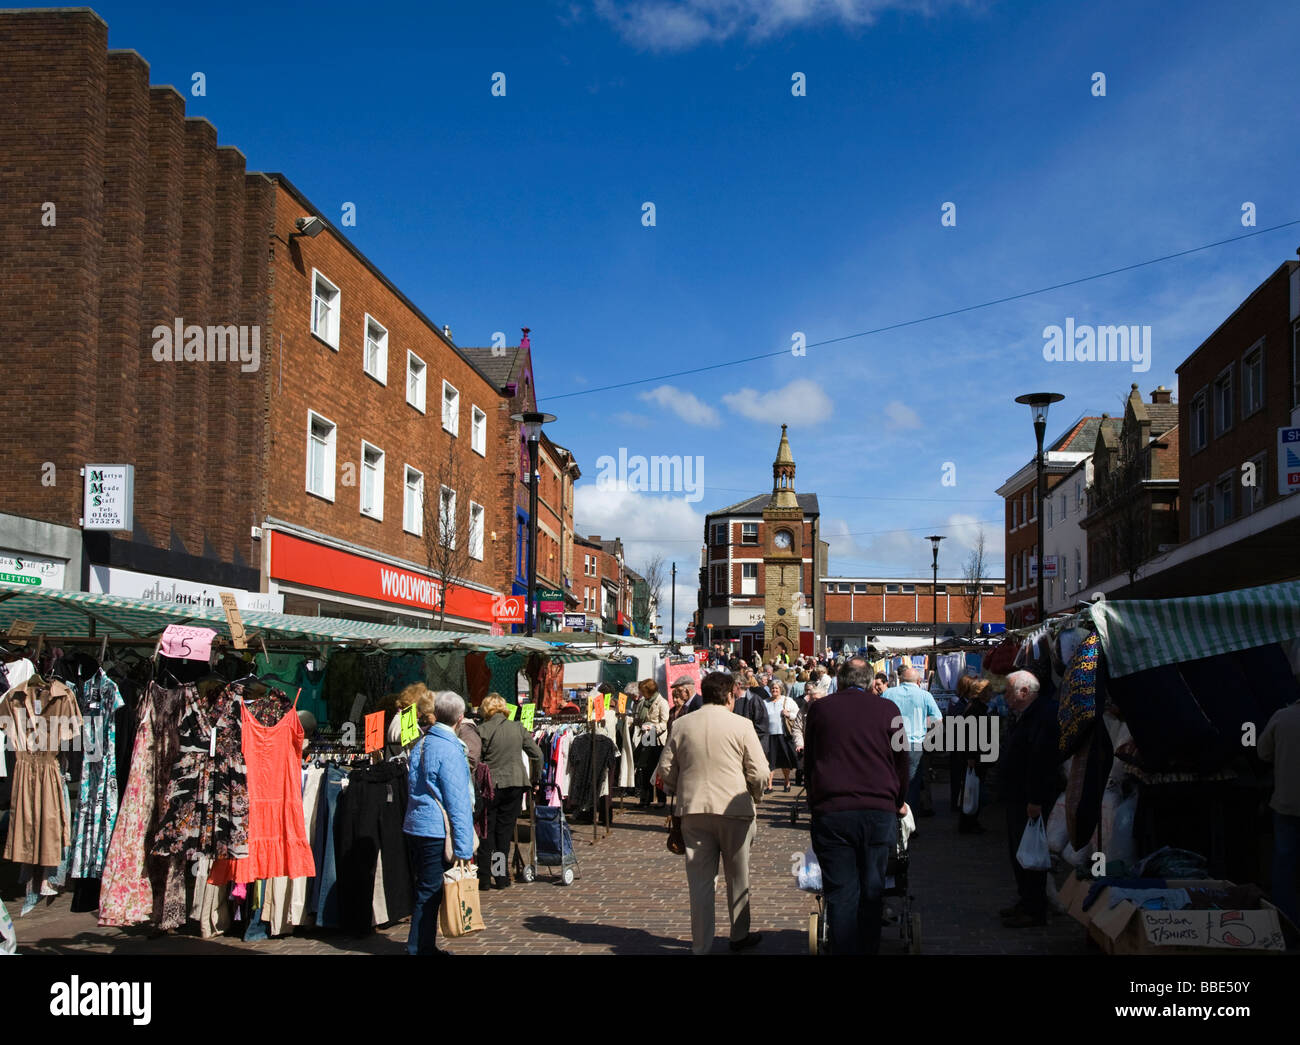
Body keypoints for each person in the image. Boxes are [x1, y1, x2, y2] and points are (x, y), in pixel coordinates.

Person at [803, 657, 911, 956]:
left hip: (833, 808)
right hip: (878, 809)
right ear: (869, 681)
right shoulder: (889, 710)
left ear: (840, 680)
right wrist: (898, 800)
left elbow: (810, 760)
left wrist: (815, 799)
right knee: (872, 888)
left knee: (840, 891)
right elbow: (902, 760)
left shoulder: (821, 710)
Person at [655, 671, 769, 955]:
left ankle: (701, 945)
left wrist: (676, 789)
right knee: (738, 876)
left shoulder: (681, 724)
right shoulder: (742, 725)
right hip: (735, 809)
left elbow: (665, 771)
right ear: (730, 695)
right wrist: (755, 796)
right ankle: (739, 934)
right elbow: (760, 772)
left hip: (694, 809)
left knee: (701, 883)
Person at [403, 691, 475, 956]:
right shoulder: (450, 748)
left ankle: (422, 945)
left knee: (424, 889)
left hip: (415, 824)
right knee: (430, 892)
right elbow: (458, 801)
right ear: (460, 717)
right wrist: (465, 848)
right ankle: (419, 948)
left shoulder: (421, 743)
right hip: (435, 830)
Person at [999, 670, 1061, 928]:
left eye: (1008, 691)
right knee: (1019, 852)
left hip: (1030, 799)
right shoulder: (1027, 715)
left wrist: (1035, 799)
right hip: (1018, 796)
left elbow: (1041, 760)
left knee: (1029, 855)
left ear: (1024, 692)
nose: (1004, 697)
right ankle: (1026, 901)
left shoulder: (1043, 715)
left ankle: (1034, 908)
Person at [478, 693, 543, 889]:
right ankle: (500, 877)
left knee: (487, 832)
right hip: (515, 784)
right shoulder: (517, 727)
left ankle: (483, 879)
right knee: (504, 833)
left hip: (491, 786)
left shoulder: (482, 730)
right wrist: (535, 778)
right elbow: (537, 754)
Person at [1260, 695, 1300, 932]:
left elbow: (1262, 753)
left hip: (1287, 804)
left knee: (1285, 864)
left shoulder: (1282, 717)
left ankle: (1287, 924)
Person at [882, 665, 942, 814]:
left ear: (900, 680)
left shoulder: (888, 693)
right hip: (915, 745)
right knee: (912, 783)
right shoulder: (924, 695)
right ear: (919, 681)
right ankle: (910, 820)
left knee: (891, 780)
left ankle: (892, 814)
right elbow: (938, 719)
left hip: (891, 743)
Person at [948, 675, 992, 834]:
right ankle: (968, 822)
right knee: (972, 790)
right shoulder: (975, 709)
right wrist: (971, 757)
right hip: (974, 756)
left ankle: (970, 821)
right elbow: (970, 735)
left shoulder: (975, 707)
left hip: (975, 755)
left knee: (972, 790)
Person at [635, 679, 670, 809]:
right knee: (644, 769)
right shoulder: (643, 703)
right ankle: (645, 799)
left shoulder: (662, 703)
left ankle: (661, 799)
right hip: (646, 738)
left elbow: (664, 723)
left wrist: (652, 727)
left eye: (643, 691)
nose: (642, 694)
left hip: (658, 741)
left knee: (658, 770)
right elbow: (640, 718)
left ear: (649, 691)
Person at [762, 680, 801, 793]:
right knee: (770, 761)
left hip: (784, 735)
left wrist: (789, 714)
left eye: (776, 688)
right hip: (769, 736)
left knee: (785, 761)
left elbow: (797, 715)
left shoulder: (787, 700)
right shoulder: (765, 702)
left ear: (781, 689)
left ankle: (787, 781)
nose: (774, 690)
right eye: (773, 688)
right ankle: (769, 785)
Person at [731, 672, 770, 744]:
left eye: (730, 685)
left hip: (752, 744)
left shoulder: (754, 700)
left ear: (738, 685)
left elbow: (762, 727)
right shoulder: (730, 700)